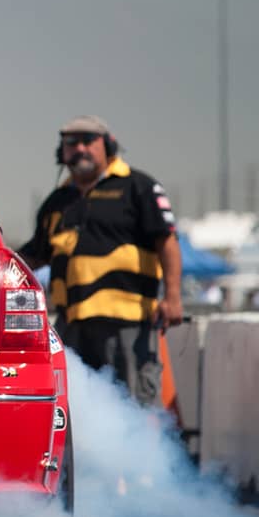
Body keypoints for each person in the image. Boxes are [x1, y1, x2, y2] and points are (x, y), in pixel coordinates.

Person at [18, 115, 185, 409]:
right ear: (62, 153)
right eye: (71, 143)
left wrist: (172, 296)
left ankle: (144, 457)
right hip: (72, 323)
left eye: (88, 141)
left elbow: (167, 243)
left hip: (126, 320)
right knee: (77, 409)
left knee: (134, 406)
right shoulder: (57, 200)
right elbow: (36, 254)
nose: (79, 148)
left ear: (108, 145)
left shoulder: (138, 187)